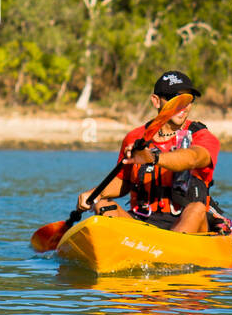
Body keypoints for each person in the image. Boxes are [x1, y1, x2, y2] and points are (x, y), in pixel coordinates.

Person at [74, 70, 222, 234]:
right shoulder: (135, 138)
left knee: (197, 209)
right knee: (103, 205)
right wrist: (95, 194)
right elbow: (124, 182)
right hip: (142, 220)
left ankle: (171, 250)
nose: (183, 106)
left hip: (187, 222)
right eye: (174, 98)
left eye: (188, 100)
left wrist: (153, 157)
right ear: (156, 101)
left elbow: (194, 158)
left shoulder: (201, 135)